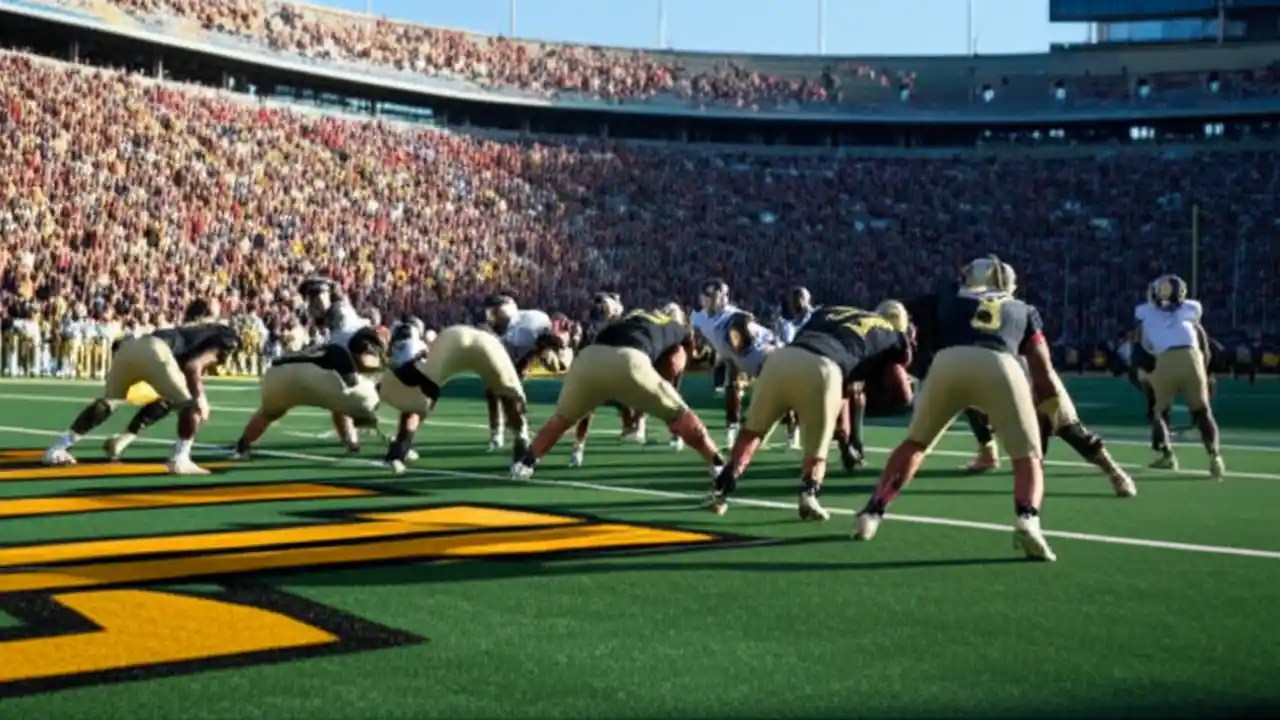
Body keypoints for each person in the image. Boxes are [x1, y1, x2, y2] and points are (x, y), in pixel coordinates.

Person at [42, 298, 240, 475]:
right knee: (190, 405)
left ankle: (58, 448)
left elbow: (165, 399)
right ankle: (180, 458)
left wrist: (127, 437)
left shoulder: (183, 331)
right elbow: (193, 367)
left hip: (135, 347)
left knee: (108, 402)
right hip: (157, 352)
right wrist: (200, 398)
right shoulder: (225, 335)